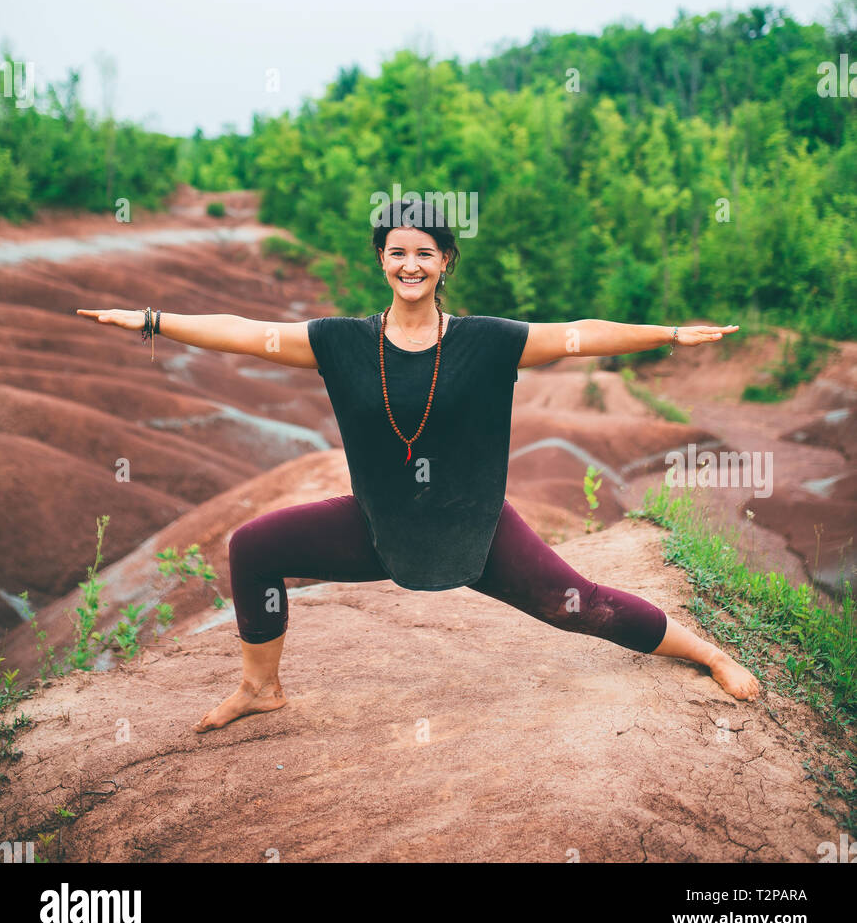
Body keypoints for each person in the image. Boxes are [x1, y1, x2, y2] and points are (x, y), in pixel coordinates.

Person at [76, 201, 760, 733]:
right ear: (380, 260)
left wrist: (668, 334)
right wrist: (153, 320)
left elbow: (577, 336)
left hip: (474, 528)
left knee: (583, 607)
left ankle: (708, 654)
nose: (410, 264)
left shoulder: (487, 342)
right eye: (396, 252)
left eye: (424, 253)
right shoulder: (339, 342)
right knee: (253, 547)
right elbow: (247, 333)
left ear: (445, 263)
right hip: (377, 526)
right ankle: (261, 688)